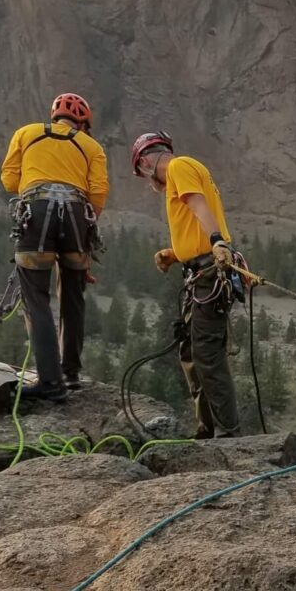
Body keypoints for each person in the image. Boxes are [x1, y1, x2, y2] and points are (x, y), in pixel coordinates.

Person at [130, 131, 240, 438]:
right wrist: (175, 254)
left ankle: (228, 433)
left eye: (142, 173)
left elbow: (198, 205)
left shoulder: (178, 167)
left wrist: (217, 241)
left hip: (209, 271)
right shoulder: (185, 170)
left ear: (145, 162)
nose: (148, 182)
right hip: (201, 271)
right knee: (191, 350)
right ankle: (207, 428)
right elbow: (194, 223)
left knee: (207, 353)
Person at [0, 93, 109, 401]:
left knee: (35, 297)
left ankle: (50, 381)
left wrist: (37, 178)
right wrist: (84, 239)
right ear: (83, 124)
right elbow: (98, 194)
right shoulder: (91, 146)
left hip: (36, 211)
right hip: (77, 215)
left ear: (54, 116)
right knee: (73, 294)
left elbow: (9, 180)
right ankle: (70, 373)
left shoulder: (26, 133)